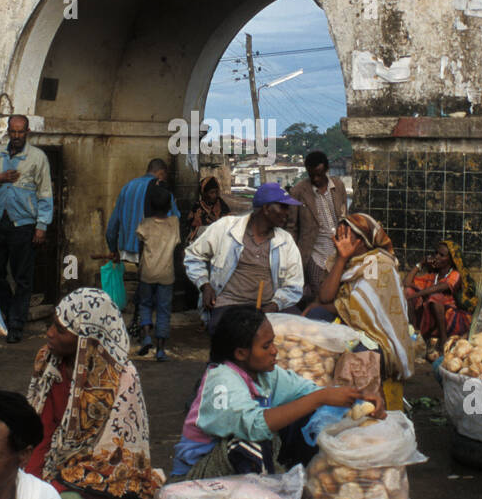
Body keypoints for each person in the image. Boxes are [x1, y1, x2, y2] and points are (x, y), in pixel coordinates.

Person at [26, 289, 162, 499]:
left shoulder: (121, 377)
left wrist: (55, 486)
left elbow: (112, 450)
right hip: (57, 461)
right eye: (52, 324)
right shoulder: (50, 362)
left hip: (103, 471)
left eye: (61, 330)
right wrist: (31, 479)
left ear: (87, 340)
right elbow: (43, 428)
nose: (50, 334)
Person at [171, 305, 367, 479]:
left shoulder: (266, 375)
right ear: (241, 353)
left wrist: (360, 399)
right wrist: (320, 398)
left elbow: (308, 391)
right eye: (266, 346)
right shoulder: (222, 380)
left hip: (232, 472)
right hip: (199, 474)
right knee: (250, 444)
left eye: (273, 343)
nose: (274, 351)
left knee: (307, 418)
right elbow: (253, 426)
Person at [184, 181, 304, 333]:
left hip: (268, 306)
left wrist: (274, 305)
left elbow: (294, 284)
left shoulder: (285, 241)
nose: (288, 213)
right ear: (266, 209)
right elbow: (193, 255)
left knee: (301, 331)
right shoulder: (226, 228)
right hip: (229, 304)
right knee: (234, 334)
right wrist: (205, 285)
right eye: (283, 207)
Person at [312, 213, 414, 379]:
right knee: (314, 317)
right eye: (338, 236)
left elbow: (358, 307)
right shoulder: (342, 261)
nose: (339, 240)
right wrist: (341, 259)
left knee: (360, 354)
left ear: (362, 240)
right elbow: (325, 296)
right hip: (348, 325)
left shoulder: (380, 264)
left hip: (376, 335)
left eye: (346, 235)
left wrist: (321, 306)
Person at [0, 115, 53, 344]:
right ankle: (9, 311)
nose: (16, 136)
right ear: (8, 131)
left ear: (27, 132)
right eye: (13, 132)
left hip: (24, 225)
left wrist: (41, 226)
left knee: (22, 277)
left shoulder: (37, 158)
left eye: (20, 132)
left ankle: (16, 324)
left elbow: (45, 193)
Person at [288, 151, 348, 302]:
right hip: (314, 252)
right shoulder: (298, 192)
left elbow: (344, 215)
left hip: (339, 250)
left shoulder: (338, 186)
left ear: (326, 170)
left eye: (319, 175)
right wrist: (292, 256)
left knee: (339, 291)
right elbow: (292, 227)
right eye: (312, 175)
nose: (315, 179)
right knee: (319, 294)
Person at [404, 238, 475, 359]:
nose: (437, 256)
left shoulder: (455, 275)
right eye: (436, 253)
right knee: (407, 291)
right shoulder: (433, 276)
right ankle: (414, 335)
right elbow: (406, 283)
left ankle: (443, 340)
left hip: (450, 317)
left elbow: (438, 288)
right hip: (430, 314)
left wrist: (417, 295)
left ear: (451, 260)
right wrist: (420, 264)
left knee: (434, 297)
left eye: (442, 255)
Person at [135, 181, 180, 361]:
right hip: (167, 274)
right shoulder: (174, 223)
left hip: (147, 272)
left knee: (145, 305)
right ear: (169, 205)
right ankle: (160, 349)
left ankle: (146, 335)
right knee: (163, 310)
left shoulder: (144, 224)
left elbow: (140, 248)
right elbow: (177, 247)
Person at [106, 157, 180, 263]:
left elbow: (112, 225)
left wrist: (113, 249)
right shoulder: (160, 188)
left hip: (128, 249)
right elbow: (174, 217)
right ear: (161, 173)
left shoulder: (127, 187)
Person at [184, 176, 230, 244]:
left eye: (216, 192)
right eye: (211, 193)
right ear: (204, 193)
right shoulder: (197, 208)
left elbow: (229, 223)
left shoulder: (222, 205)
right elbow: (190, 228)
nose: (214, 195)